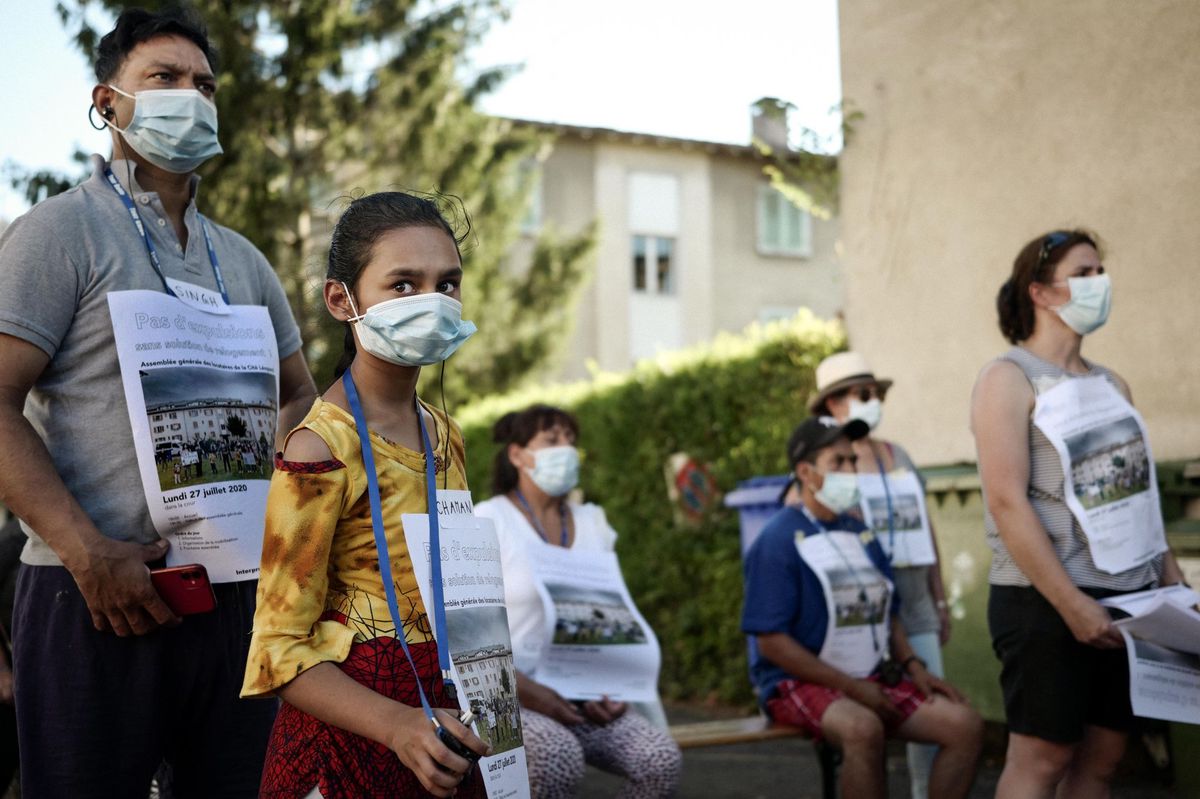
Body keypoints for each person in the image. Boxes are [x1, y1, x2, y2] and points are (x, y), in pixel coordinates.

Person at [0, 8, 318, 797]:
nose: (192, 96)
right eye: (165, 78)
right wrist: (86, 550)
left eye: (205, 84)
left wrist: (277, 526)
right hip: (95, 600)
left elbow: (300, 395)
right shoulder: (60, 233)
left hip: (234, 605)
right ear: (108, 103)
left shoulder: (242, 259)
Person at [241, 191, 489, 798]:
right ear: (340, 300)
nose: (432, 301)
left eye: (447, 284)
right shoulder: (317, 448)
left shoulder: (444, 433)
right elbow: (277, 651)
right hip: (352, 736)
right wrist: (397, 725)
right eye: (403, 285)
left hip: (445, 727)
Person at [971, 229, 1186, 799]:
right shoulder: (1007, 377)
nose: (1101, 283)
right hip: (1043, 600)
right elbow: (1006, 502)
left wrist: (1172, 584)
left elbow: (1138, 497)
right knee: (1043, 759)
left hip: (1132, 600)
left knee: (1104, 759)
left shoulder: (1114, 384)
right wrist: (1073, 605)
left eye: (1101, 271)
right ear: (1040, 293)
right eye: (1085, 273)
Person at [742, 416, 982, 799]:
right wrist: (851, 687)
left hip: (866, 678)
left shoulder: (859, 531)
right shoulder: (777, 540)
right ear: (805, 472)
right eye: (838, 463)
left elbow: (888, 611)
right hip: (795, 684)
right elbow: (770, 642)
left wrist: (913, 666)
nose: (851, 472)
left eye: (852, 461)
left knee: (964, 725)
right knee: (862, 728)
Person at [475, 404, 683, 799]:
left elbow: (611, 617)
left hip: (584, 698)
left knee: (659, 759)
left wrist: (611, 689)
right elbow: (470, 628)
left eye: (571, 440)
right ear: (517, 455)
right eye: (552, 440)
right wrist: (525, 691)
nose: (566, 449)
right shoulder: (489, 520)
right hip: (509, 697)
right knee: (558, 755)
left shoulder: (593, 523)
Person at [808, 351, 951, 799]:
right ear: (834, 404)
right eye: (862, 394)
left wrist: (940, 597)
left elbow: (926, 527)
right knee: (866, 723)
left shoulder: (899, 454)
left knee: (932, 715)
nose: (873, 401)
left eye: (876, 393)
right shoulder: (827, 467)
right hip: (865, 612)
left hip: (917, 605)